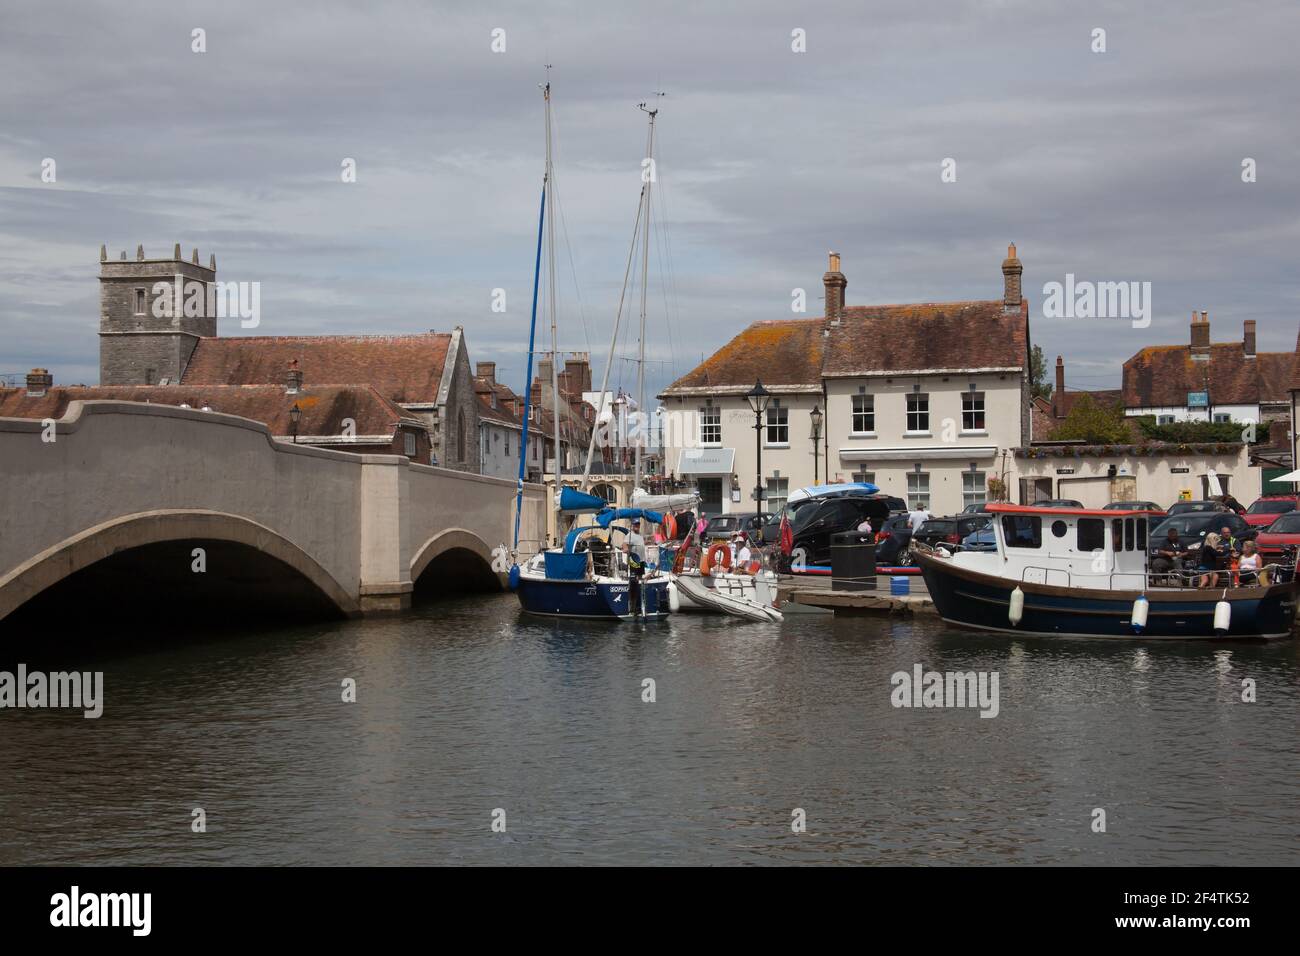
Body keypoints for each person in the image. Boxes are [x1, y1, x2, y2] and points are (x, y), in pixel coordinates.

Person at [623, 519, 648, 615]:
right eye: (635, 524)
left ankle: (639, 606)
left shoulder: (640, 535)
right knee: (634, 582)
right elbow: (624, 544)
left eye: (638, 524)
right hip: (634, 561)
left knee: (640, 582)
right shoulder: (629, 535)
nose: (637, 526)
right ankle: (632, 608)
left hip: (641, 561)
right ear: (632, 525)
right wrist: (625, 549)